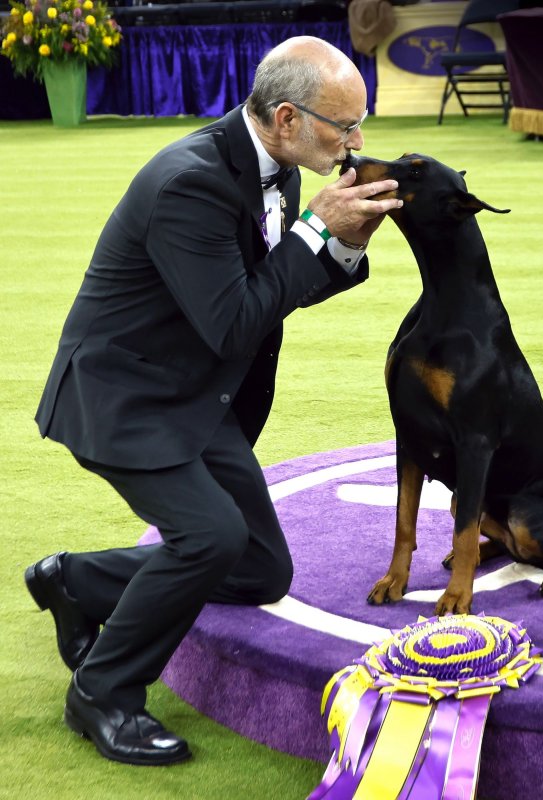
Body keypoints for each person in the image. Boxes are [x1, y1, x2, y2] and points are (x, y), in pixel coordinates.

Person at [25, 36, 401, 766]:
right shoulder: (189, 183)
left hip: (195, 394)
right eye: (344, 126)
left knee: (260, 570)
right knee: (210, 540)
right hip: (122, 396)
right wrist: (316, 230)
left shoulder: (279, 163)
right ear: (287, 117)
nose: (358, 143)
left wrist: (341, 244)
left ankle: (75, 581)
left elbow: (268, 294)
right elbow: (233, 318)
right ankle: (102, 693)